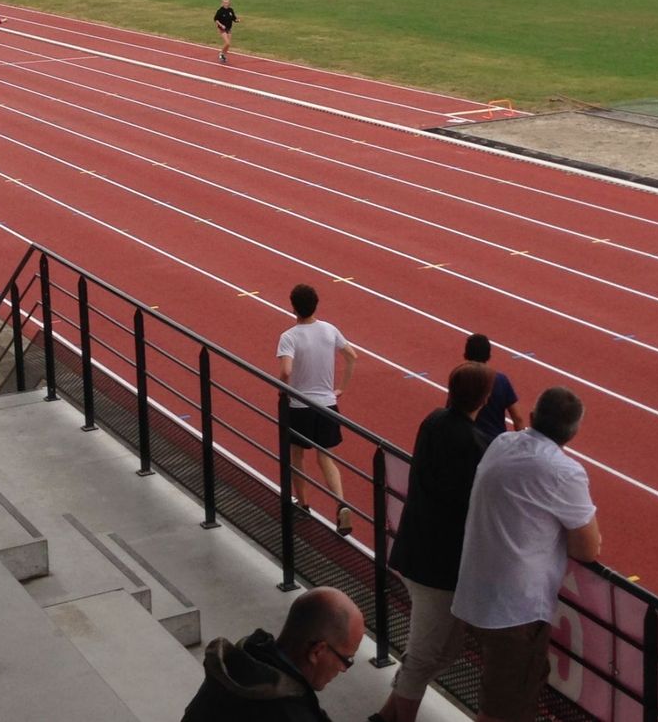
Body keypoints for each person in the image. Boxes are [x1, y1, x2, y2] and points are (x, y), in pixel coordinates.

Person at [452, 387, 600, 722]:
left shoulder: (502, 443)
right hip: (516, 610)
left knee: (505, 697)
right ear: (573, 432)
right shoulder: (565, 471)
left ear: (532, 417)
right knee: (505, 710)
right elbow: (587, 548)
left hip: (478, 594)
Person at [373, 364, 494, 722]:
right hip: (438, 566)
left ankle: (386, 715)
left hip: (418, 550)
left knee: (445, 651)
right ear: (485, 400)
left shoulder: (433, 421)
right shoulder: (476, 446)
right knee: (427, 655)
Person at [182, 586, 363, 722]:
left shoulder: (240, 662)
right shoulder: (289, 712)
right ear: (317, 651)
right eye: (346, 660)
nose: (343, 669)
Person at [276, 284, 359, 535]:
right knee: (326, 457)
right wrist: (340, 388)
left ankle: (303, 504)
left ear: (293, 307)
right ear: (316, 304)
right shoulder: (329, 330)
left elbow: (287, 370)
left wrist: (283, 388)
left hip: (300, 405)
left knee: (297, 455)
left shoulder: (289, 336)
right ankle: (341, 503)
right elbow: (352, 356)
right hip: (327, 403)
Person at [463, 333, 524, 441]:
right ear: (489, 355)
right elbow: (518, 419)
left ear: (466, 354)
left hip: (468, 441)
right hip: (496, 444)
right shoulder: (501, 380)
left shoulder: (461, 378)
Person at [214, 0, 238, 64]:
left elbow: (233, 18)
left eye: (227, 3)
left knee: (228, 44)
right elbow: (216, 19)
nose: (226, 4)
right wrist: (221, 25)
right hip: (222, 28)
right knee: (227, 42)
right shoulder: (220, 11)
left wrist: (237, 20)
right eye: (224, 3)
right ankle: (221, 53)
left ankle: (224, 55)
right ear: (222, 3)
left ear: (229, 3)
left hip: (229, 28)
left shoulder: (230, 10)